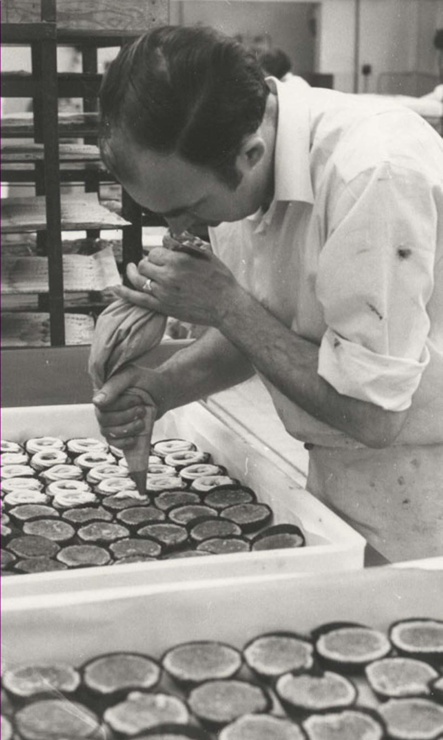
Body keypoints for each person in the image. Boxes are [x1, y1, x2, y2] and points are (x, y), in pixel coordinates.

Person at [94, 25, 443, 563]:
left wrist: (223, 303)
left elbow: (374, 414)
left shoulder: (372, 174)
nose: (179, 228)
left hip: (426, 488)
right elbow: (267, 332)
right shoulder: (234, 162)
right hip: (344, 466)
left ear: (251, 153)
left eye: (189, 207)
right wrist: (161, 388)